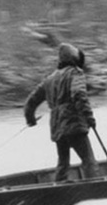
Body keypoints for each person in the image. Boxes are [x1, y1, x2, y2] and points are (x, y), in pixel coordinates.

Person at [24, 43, 98, 181]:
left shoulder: (49, 79)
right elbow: (79, 95)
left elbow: (31, 101)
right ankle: (94, 189)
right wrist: (89, 118)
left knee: (63, 163)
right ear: (74, 58)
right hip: (73, 122)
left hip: (57, 126)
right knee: (88, 160)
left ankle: (58, 190)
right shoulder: (75, 73)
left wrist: (30, 119)